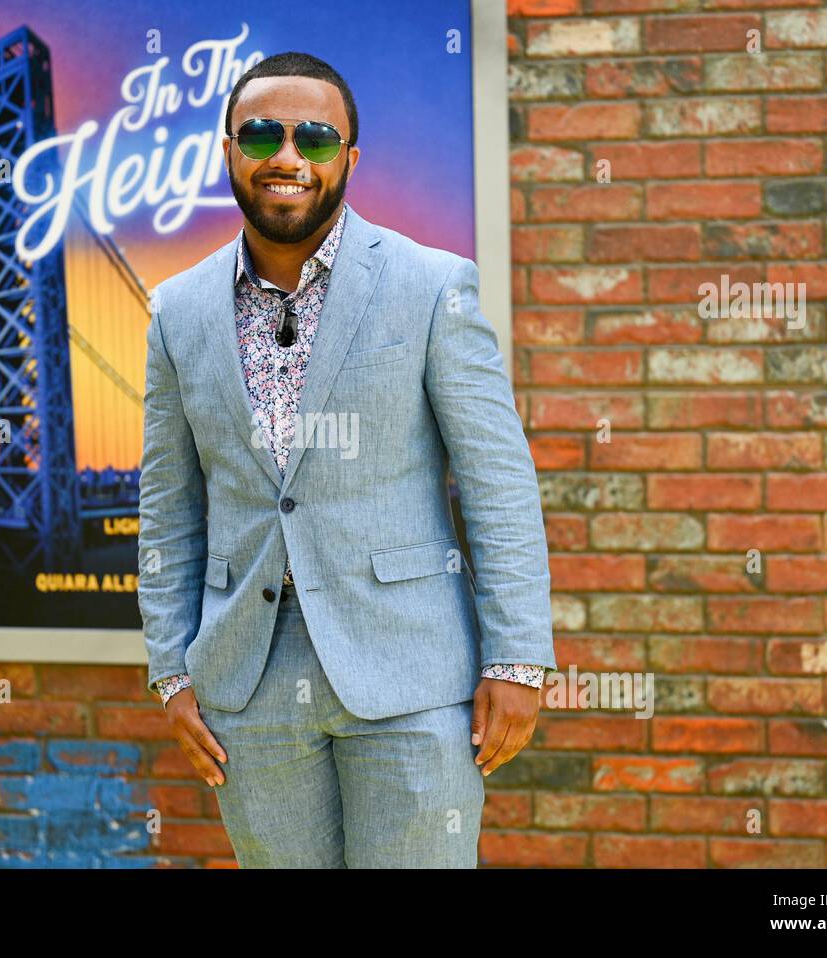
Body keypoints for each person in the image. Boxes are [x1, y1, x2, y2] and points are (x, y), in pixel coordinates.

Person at [137, 51, 554, 868]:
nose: (286, 157)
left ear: (348, 160)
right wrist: (170, 673)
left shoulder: (432, 286)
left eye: (315, 138)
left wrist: (518, 658)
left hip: (411, 675)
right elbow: (169, 502)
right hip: (245, 681)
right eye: (261, 134)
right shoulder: (176, 310)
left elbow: (496, 482)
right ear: (228, 152)